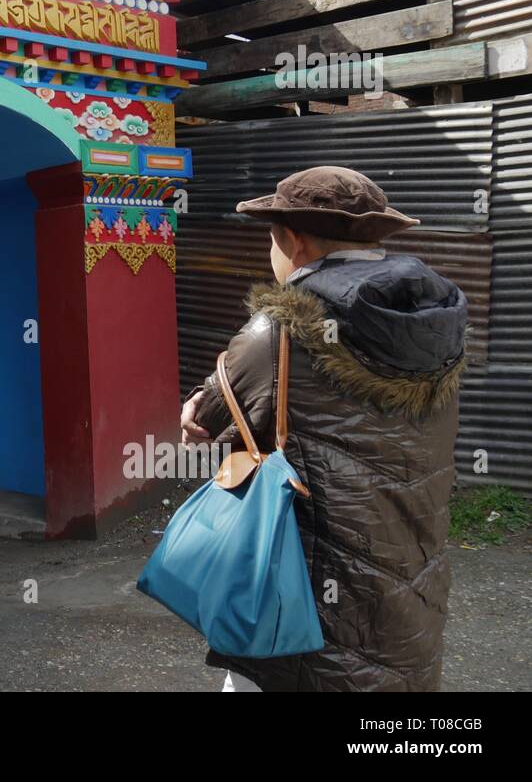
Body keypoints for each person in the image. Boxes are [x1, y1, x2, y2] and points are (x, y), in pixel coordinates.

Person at [181, 166, 467, 692]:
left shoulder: (277, 330)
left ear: (293, 239)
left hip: (304, 598)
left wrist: (203, 393)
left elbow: (207, 423)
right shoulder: (436, 324)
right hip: (412, 575)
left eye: (272, 238)